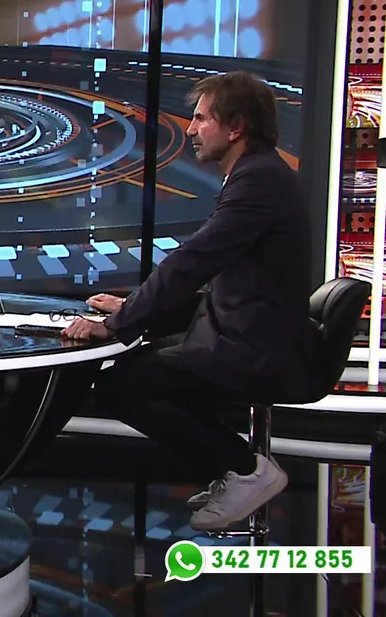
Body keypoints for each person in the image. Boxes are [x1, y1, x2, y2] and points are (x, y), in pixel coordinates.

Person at [61, 71, 315, 532]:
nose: (191, 129)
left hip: (257, 348)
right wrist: (132, 309)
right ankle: (234, 470)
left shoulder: (258, 181)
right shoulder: (260, 173)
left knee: (122, 385)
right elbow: (223, 280)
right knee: (146, 364)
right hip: (252, 334)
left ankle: (244, 469)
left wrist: (120, 324)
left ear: (236, 127)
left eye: (201, 119)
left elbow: (192, 261)